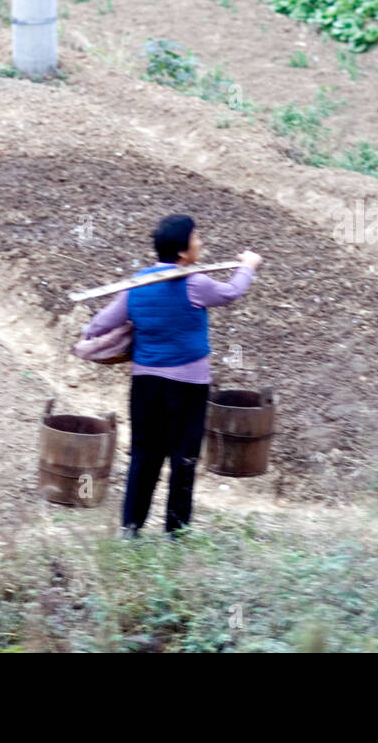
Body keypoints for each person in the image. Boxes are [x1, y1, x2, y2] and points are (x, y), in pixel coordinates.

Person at [83, 214, 262, 539]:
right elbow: (232, 292)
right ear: (182, 252)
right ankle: (175, 532)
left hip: (146, 386)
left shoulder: (137, 285)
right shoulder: (195, 283)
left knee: (144, 454)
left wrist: (86, 336)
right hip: (188, 388)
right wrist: (248, 265)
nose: (201, 243)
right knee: (184, 457)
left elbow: (105, 321)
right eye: (197, 239)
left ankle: (131, 528)